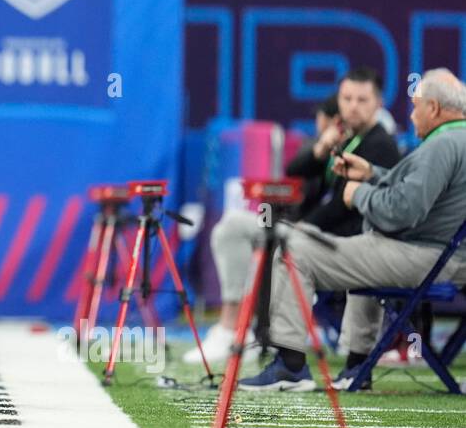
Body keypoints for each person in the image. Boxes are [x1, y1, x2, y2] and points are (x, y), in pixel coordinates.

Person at [239, 69, 466, 391]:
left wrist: (358, 193)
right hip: (444, 257)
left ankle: (290, 364)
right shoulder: (457, 139)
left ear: (434, 108)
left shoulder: (441, 145)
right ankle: (357, 367)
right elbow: (420, 193)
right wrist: (373, 174)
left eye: (416, 107)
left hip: (429, 259)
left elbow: (402, 212)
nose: (412, 115)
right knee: (364, 244)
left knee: (292, 248)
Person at [189, 69, 401, 364]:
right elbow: (293, 172)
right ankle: (234, 324)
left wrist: (300, 228)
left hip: (341, 238)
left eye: (362, 99)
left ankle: (262, 340)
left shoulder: (379, 144)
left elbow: (345, 205)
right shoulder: (344, 138)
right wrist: (321, 147)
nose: (353, 105)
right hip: (309, 226)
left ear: (378, 103)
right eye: (347, 98)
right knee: (232, 227)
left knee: (279, 243)